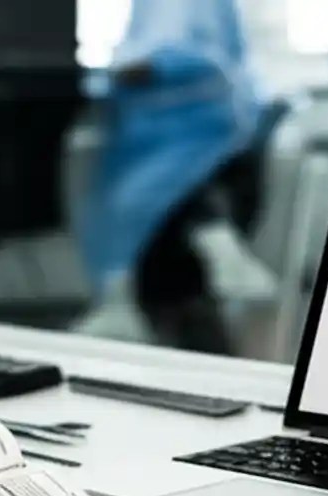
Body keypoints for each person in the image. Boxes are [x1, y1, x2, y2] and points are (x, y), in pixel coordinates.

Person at [75, 0, 280, 354]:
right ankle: (212, 235)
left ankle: (123, 296)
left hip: (193, 126)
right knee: (170, 250)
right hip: (199, 133)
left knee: (153, 207)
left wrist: (122, 74)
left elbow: (188, 58)